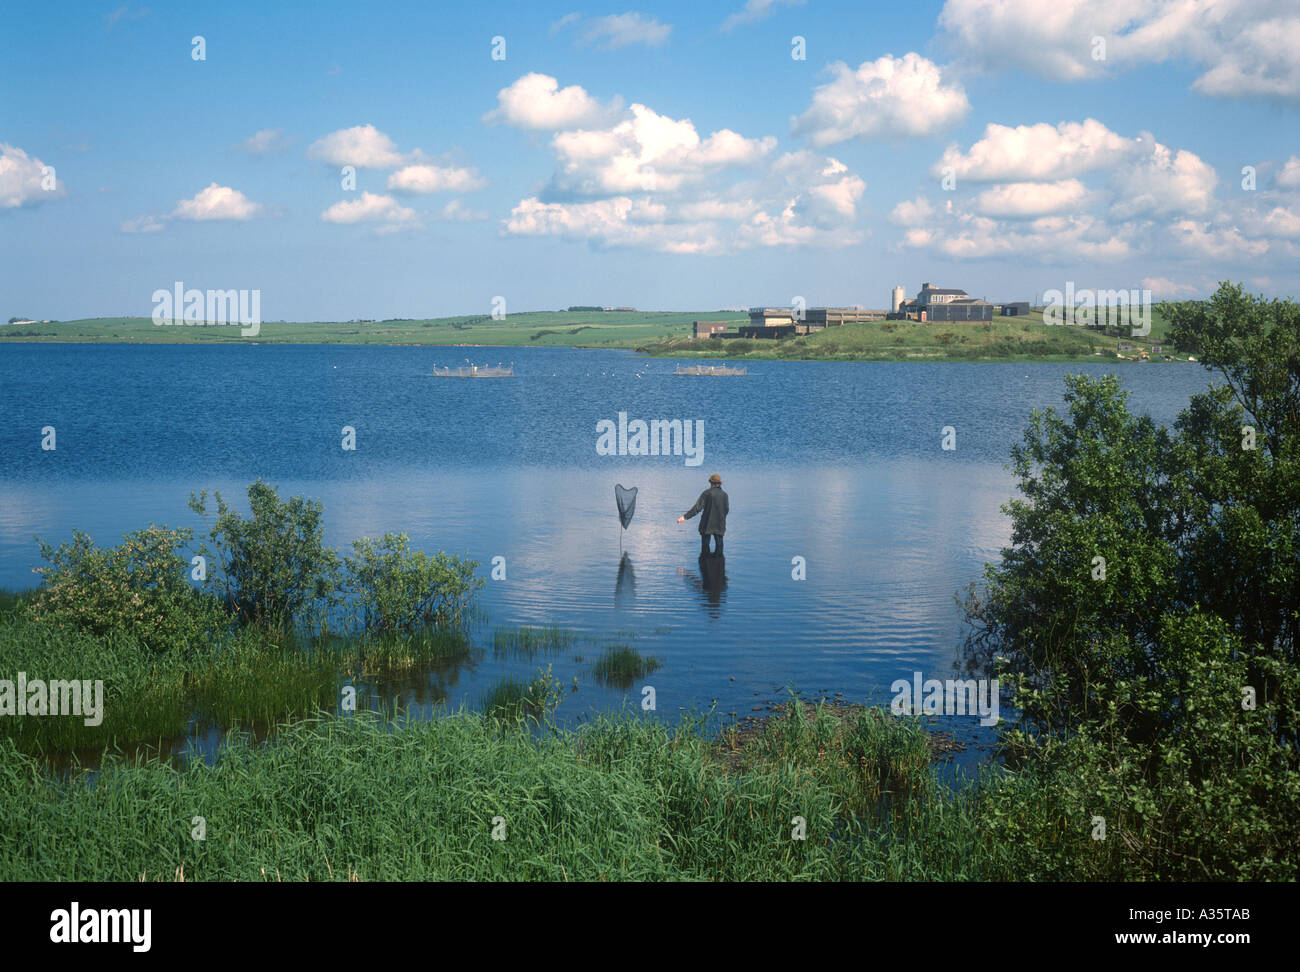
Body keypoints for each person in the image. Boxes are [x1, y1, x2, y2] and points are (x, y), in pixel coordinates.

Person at [678, 473, 729, 556]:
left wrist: (685, 517)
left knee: (705, 547)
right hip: (720, 525)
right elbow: (726, 510)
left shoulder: (707, 493)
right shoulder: (725, 495)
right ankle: (719, 566)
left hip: (707, 524)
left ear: (710, 482)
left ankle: (706, 566)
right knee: (719, 546)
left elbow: (697, 508)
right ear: (720, 483)